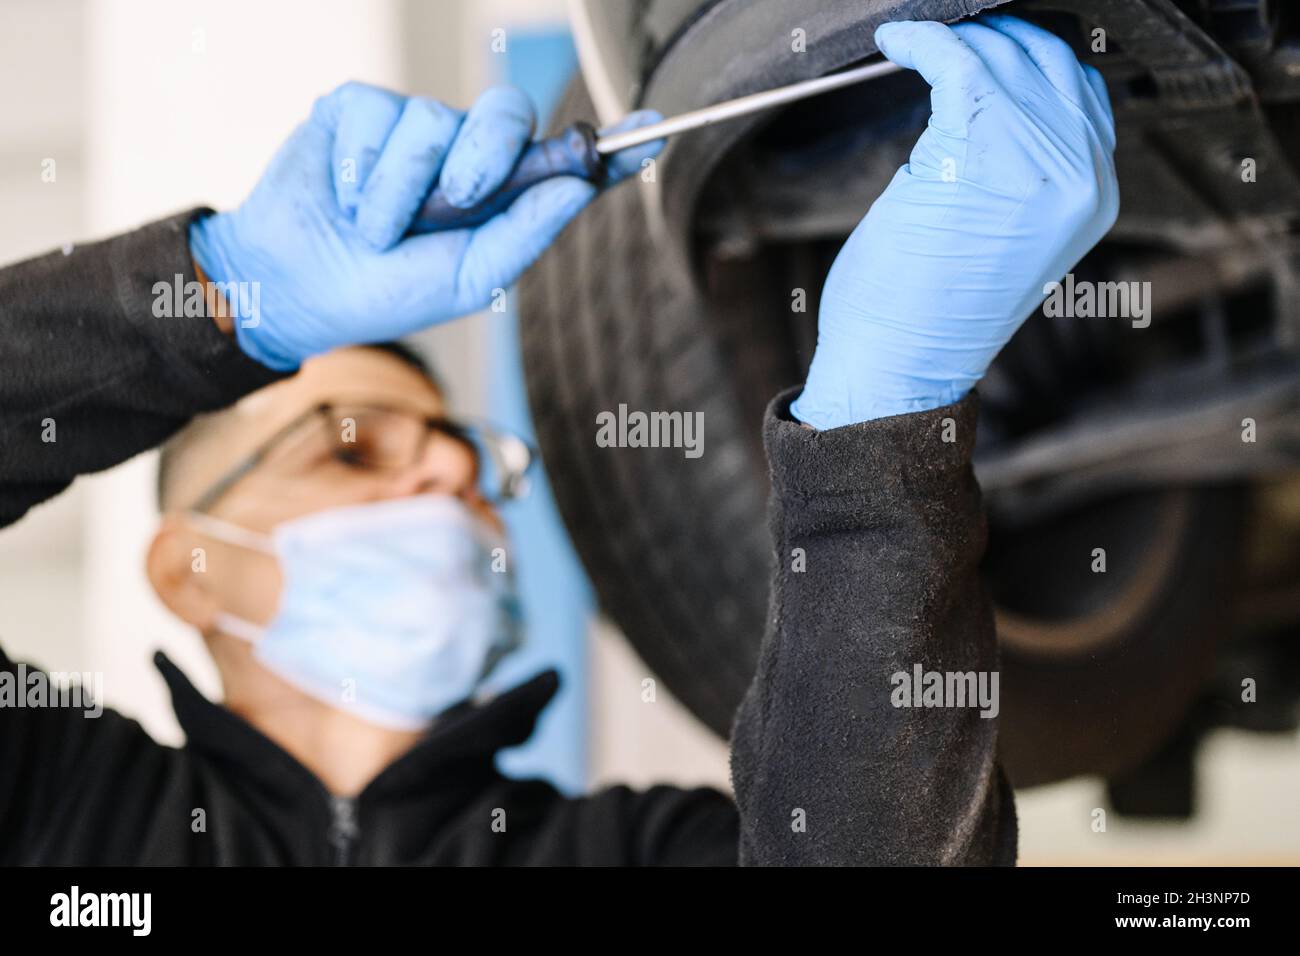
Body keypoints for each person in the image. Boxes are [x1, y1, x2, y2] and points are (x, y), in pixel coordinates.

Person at [0, 15, 1117, 865]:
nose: (451, 469)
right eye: (350, 446)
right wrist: (215, 299)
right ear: (190, 569)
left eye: (465, 452)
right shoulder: (65, 823)